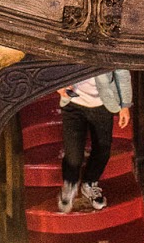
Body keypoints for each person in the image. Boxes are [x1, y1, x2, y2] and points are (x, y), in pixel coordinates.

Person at [57, 69, 133, 212]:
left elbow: (122, 72)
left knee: (103, 149)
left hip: (103, 104)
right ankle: (70, 183)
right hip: (73, 103)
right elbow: (56, 64)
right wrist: (58, 85)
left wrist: (125, 105)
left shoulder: (112, 46)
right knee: (73, 154)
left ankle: (90, 182)